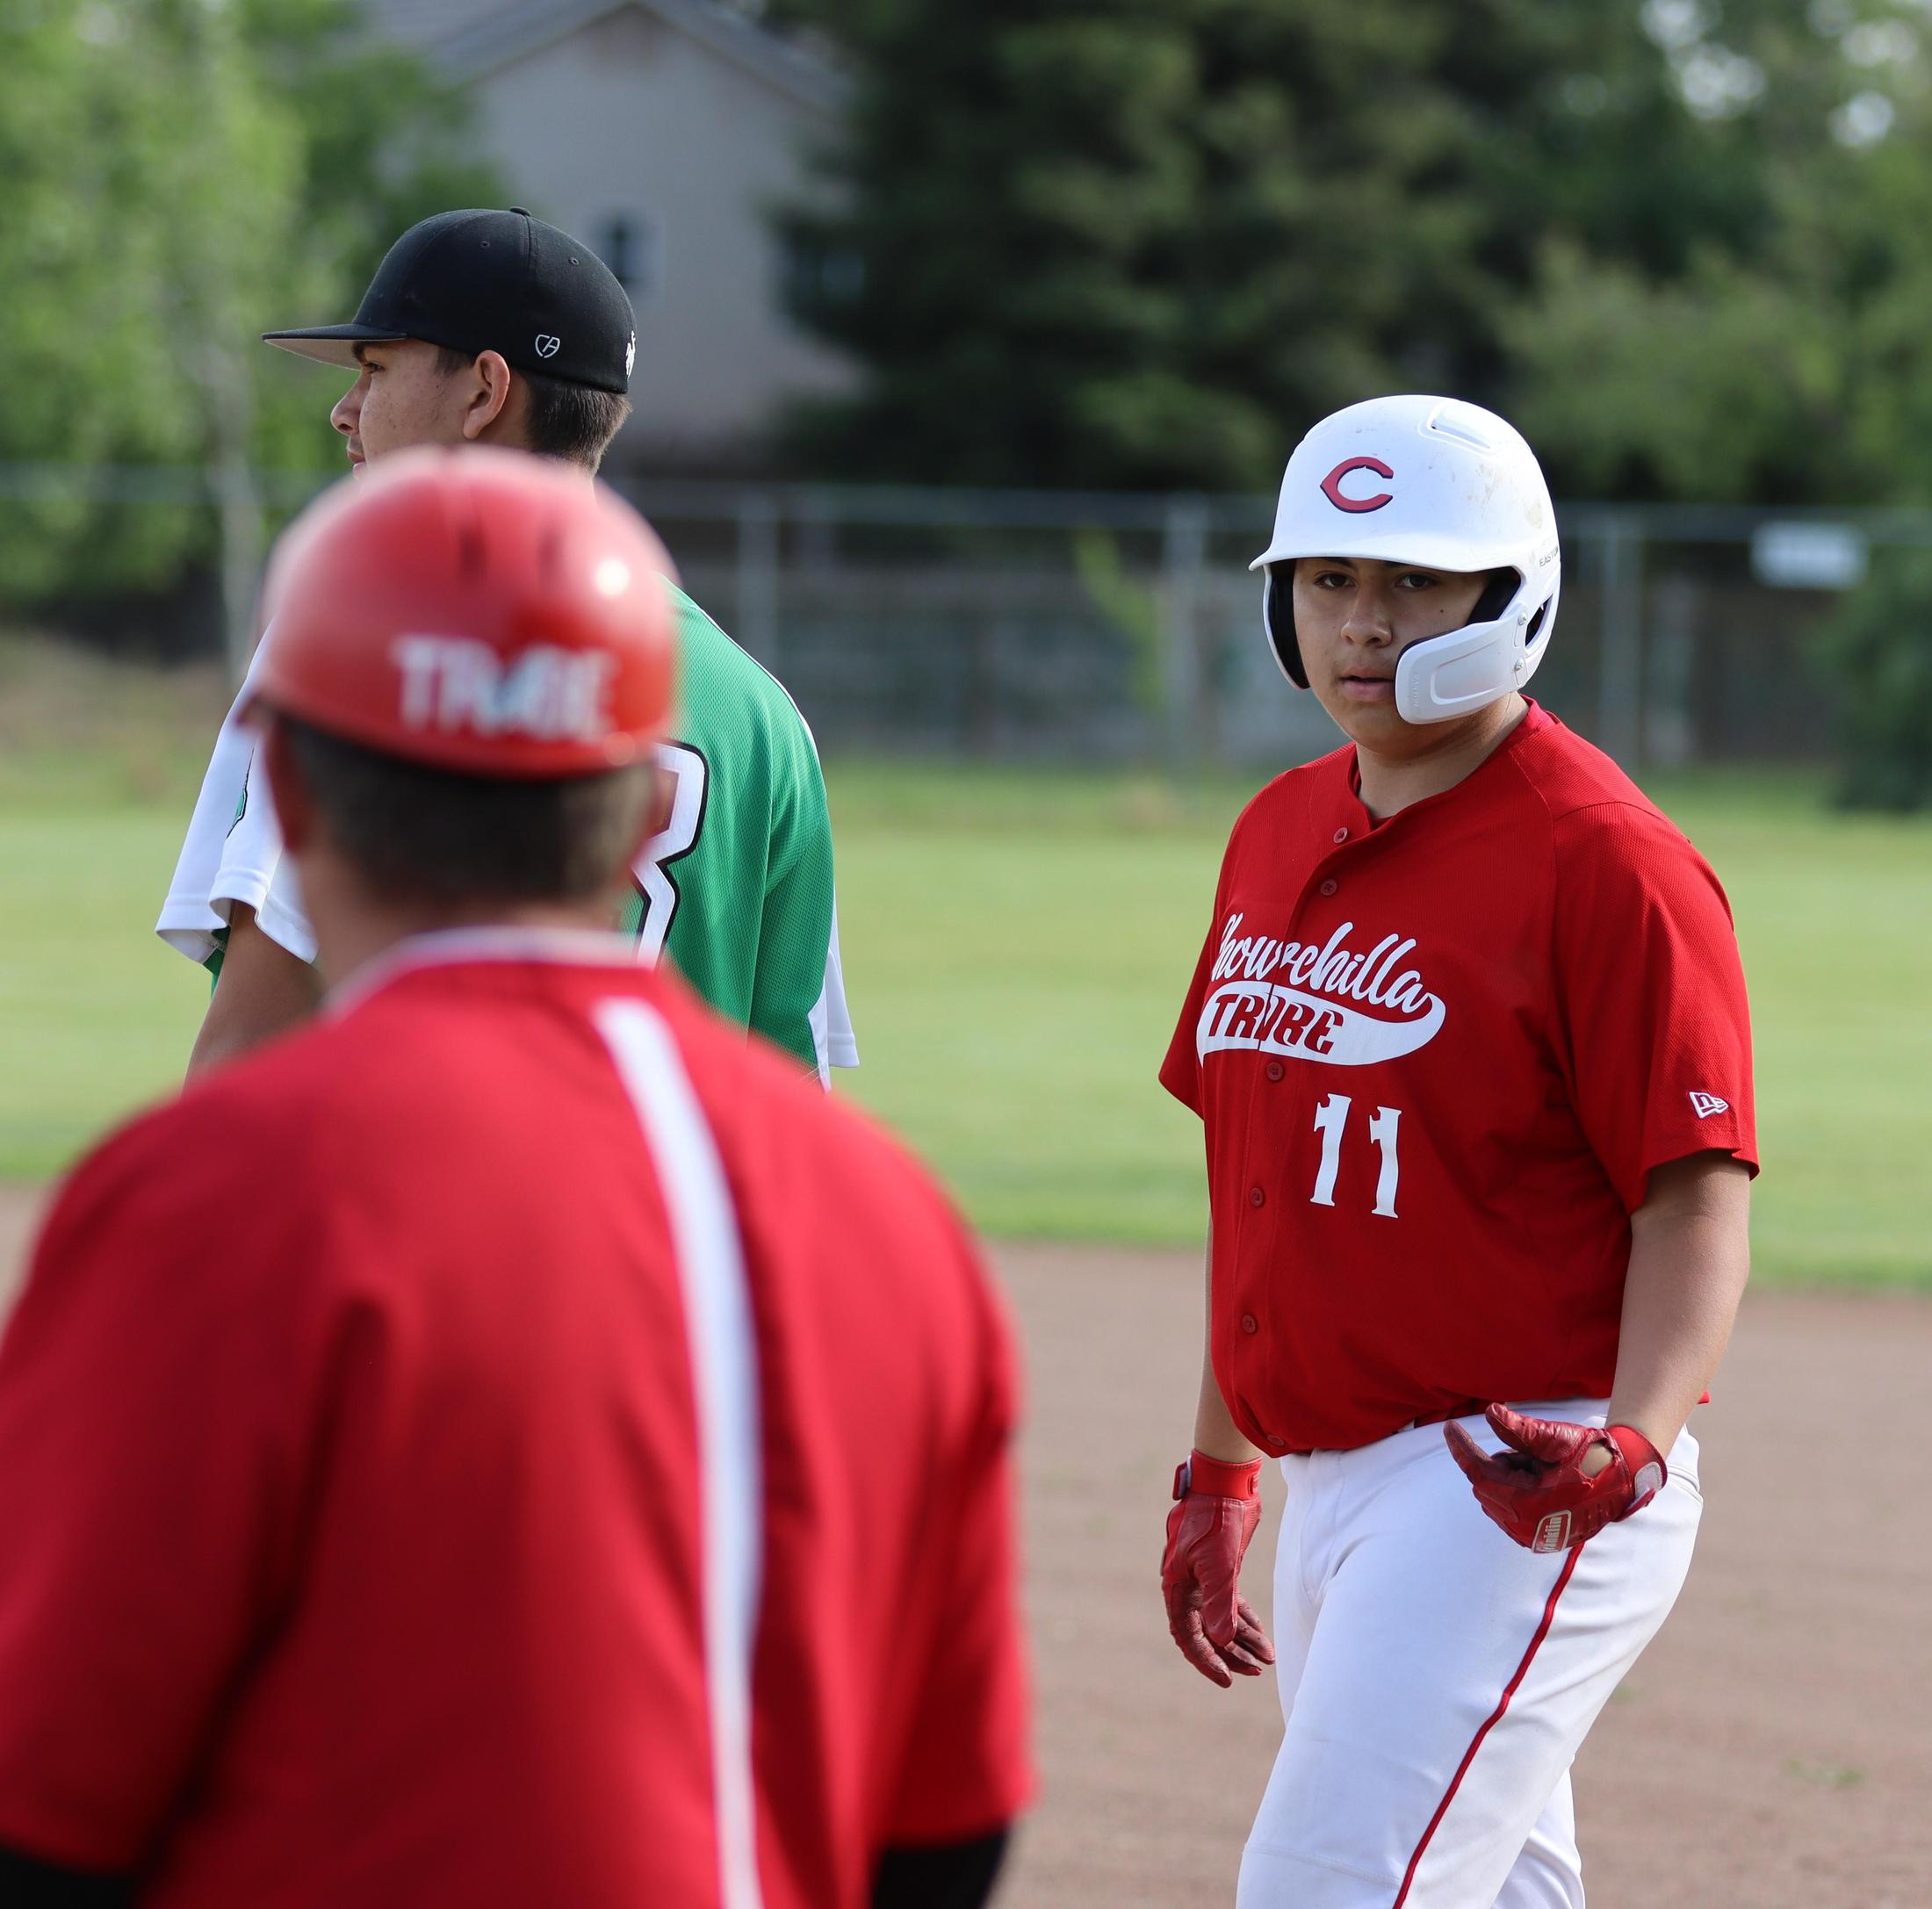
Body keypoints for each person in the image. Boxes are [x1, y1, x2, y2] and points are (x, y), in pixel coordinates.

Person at [0, 450, 1026, 1908]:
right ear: (636, 807)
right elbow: (946, 1832)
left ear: (283, 783)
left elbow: (50, 1799)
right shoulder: (887, 1217)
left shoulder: (212, 1187)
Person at [1157, 394, 1755, 1906]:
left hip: (1519, 1469)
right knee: (1486, 1888)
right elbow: (1263, 1189)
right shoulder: (1277, 830)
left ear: (1513, 595)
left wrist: (1631, 1438)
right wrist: (1221, 1465)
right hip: (1335, 1471)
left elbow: (1693, 1195)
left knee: (1330, 1885)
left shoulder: (1603, 853)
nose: (1363, 623)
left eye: (1414, 581)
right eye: (1329, 580)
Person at [157, 205, 856, 1083]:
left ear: (485, 391)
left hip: (414, 1207)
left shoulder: (364, 640)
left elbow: (248, 1053)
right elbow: (787, 1090)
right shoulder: (766, 717)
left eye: (375, 368)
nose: (345, 411)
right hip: (648, 1211)